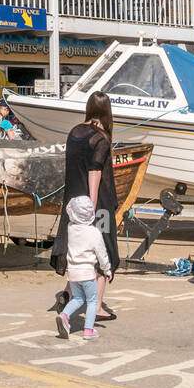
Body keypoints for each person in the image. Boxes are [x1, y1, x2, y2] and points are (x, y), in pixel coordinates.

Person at [51, 91, 120, 321]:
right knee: (104, 252)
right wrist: (92, 205)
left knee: (79, 252)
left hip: (72, 204)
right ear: (107, 111)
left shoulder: (75, 132)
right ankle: (97, 307)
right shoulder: (100, 137)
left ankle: (68, 294)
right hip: (97, 205)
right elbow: (95, 171)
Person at [53, 196, 112, 340]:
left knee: (78, 299)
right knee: (91, 301)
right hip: (87, 273)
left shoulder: (71, 228)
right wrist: (107, 269)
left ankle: (64, 316)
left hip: (72, 273)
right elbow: (102, 253)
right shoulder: (94, 233)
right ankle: (88, 330)